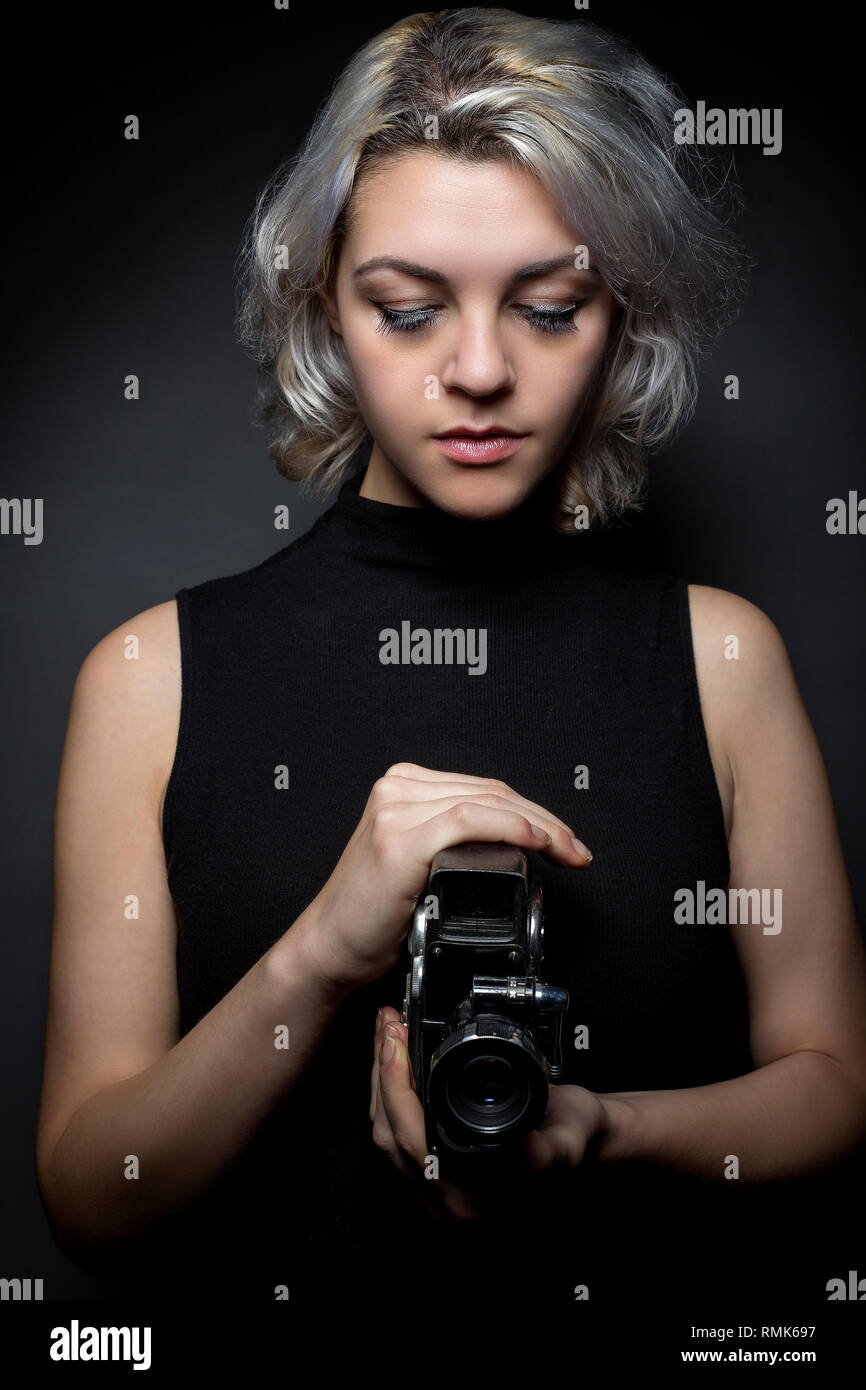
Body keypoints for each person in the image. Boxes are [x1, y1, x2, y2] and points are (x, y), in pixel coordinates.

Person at [36, 9, 866, 1316]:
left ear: (621, 309)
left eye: (547, 307)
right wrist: (317, 954)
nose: (479, 370)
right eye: (409, 309)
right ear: (324, 304)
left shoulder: (722, 657)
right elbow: (90, 1193)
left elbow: (829, 1087)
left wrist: (601, 1128)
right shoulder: (148, 676)